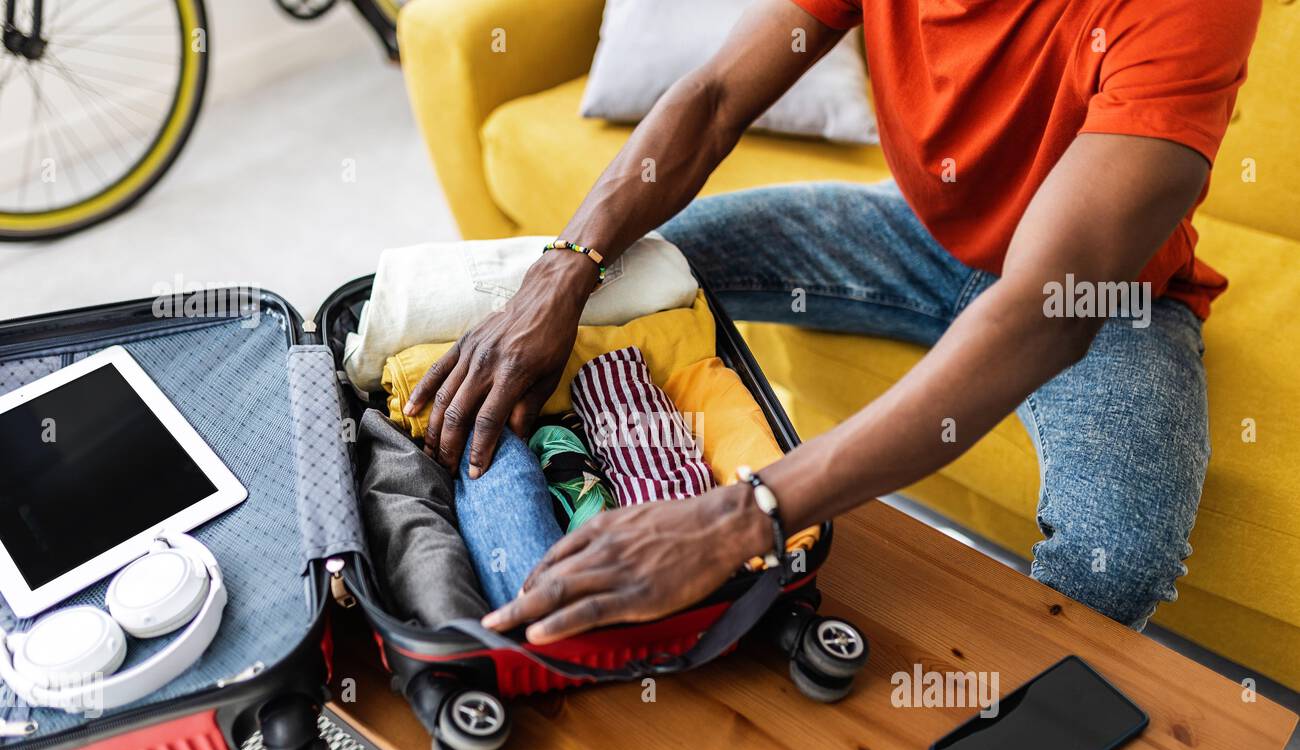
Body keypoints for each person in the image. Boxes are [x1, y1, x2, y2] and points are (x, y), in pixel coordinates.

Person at [403, 0, 1261, 644]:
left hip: (1102, 301)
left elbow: (1041, 312)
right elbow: (709, 102)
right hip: (918, 229)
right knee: (630, 274)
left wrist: (742, 516)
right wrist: (566, 268)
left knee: (1123, 551)